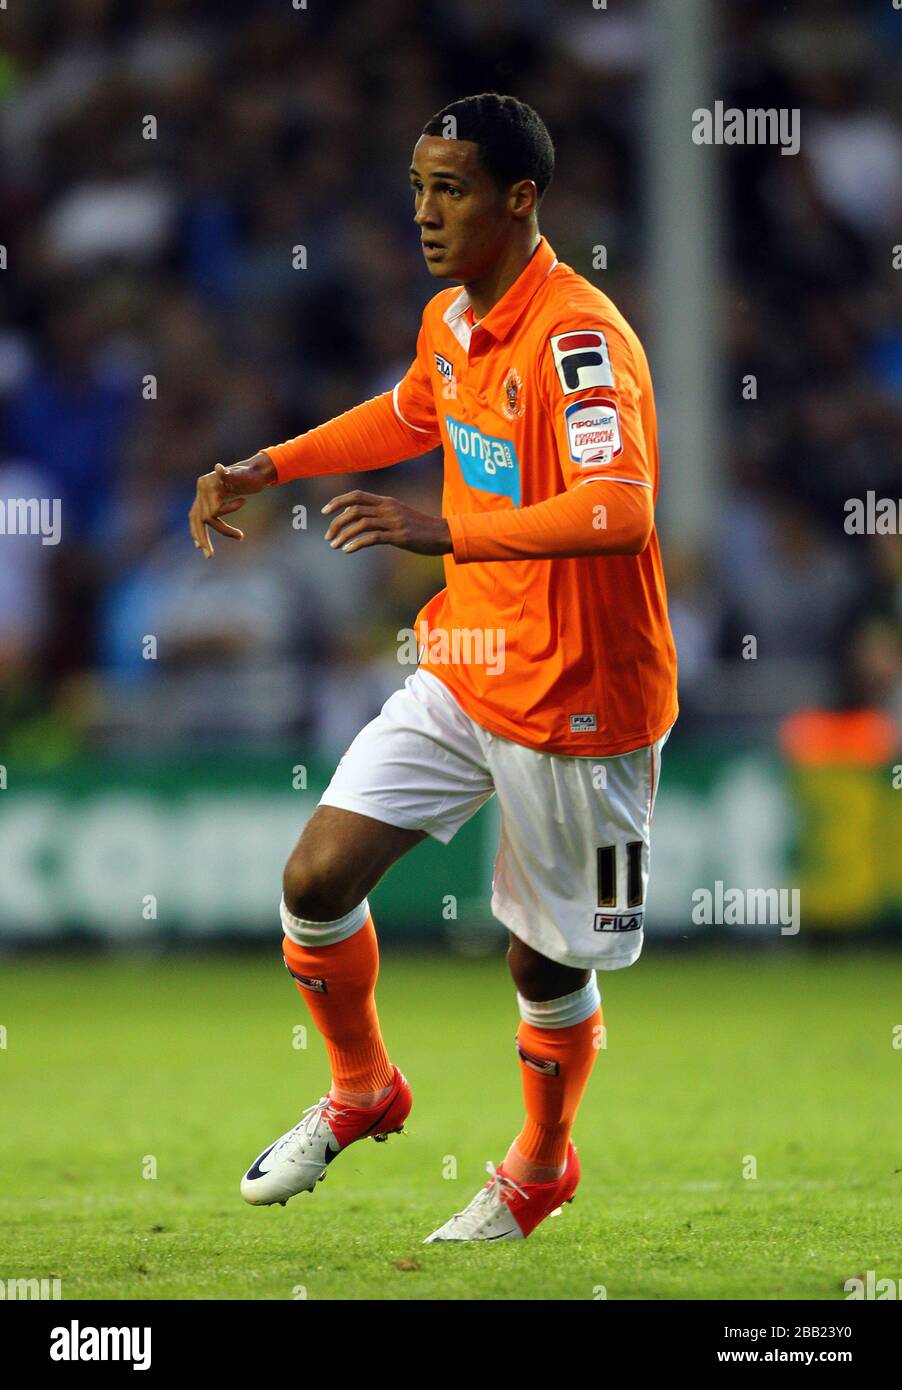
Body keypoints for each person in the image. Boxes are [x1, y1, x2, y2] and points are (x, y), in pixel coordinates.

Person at [188, 93, 678, 1243]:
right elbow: (410, 411)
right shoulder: (453, 321)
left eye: (448, 188)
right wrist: (271, 463)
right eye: (416, 186)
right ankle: (363, 1088)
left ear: (520, 198)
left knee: (545, 957)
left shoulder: (578, 341)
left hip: (588, 703)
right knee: (313, 882)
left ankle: (539, 1165)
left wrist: (448, 532)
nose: (423, 211)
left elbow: (618, 509)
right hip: (467, 658)